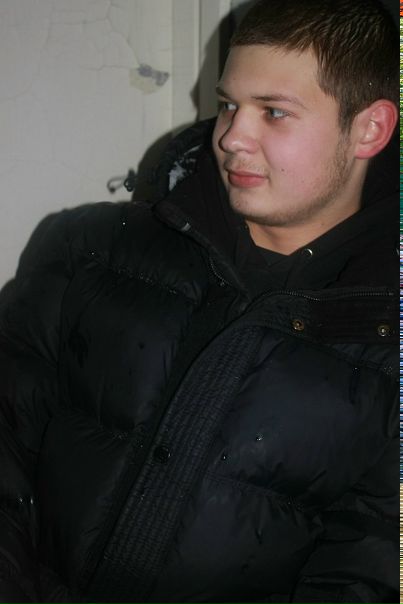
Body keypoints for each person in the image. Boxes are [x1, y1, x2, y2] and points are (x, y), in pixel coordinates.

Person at [0, 0, 399, 602]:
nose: (231, 136)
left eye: (273, 112)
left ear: (369, 129)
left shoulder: (388, 336)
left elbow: (368, 567)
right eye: (229, 105)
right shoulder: (90, 248)